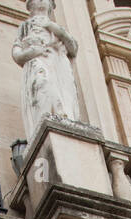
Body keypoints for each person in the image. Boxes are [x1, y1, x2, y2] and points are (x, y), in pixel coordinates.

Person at [12, 0, 80, 138]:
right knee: (43, 84)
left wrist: (53, 27)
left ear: (51, 6)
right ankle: (45, 123)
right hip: (37, 63)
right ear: (30, 5)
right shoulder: (25, 27)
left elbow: (73, 48)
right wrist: (33, 52)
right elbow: (17, 54)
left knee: (63, 96)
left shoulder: (56, 27)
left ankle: (64, 119)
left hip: (58, 64)